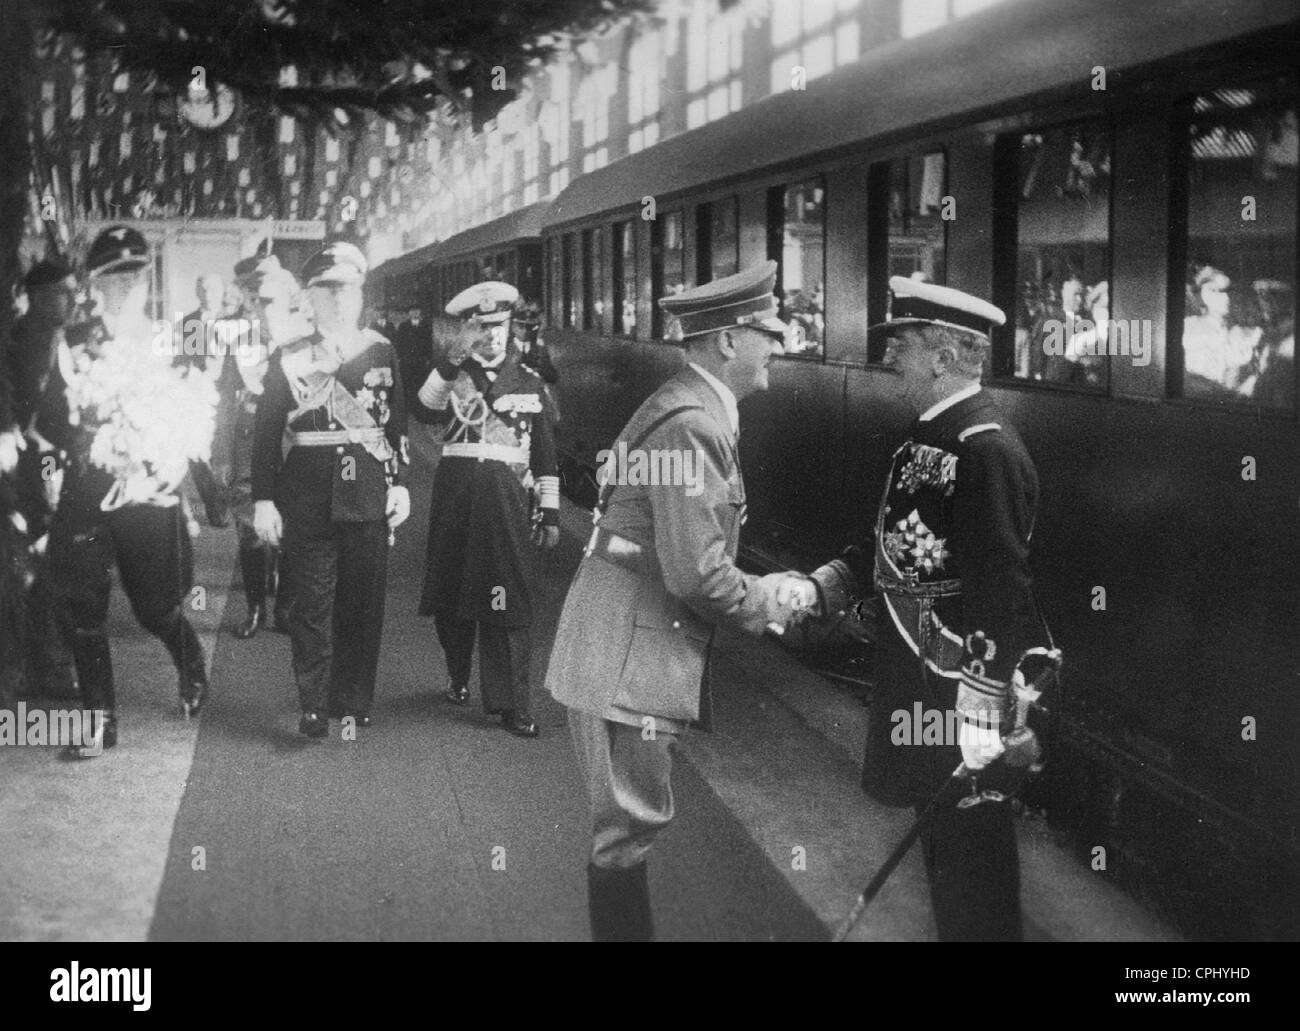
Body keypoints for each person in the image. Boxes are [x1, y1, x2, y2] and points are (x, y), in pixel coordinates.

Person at [779, 277, 1043, 940]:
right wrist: (825, 585)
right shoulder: (930, 438)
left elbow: (999, 586)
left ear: (944, 356)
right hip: (924, 684)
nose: (890, 353)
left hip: (958, 697)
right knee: (947, 857)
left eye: (902, 340)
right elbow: (891, 546)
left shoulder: (985, 448)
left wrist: (983, 708)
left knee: (974, 868)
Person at [545, 261, 801, 941]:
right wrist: (767, 599)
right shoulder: (695, 424)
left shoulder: (683, 403)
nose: (777, 342)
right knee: (624, 836)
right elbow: (694, 574)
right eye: (765, 331)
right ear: (726, 340)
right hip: (631, 646)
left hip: (617, 633)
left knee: (622, 833)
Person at [37, 226, 220, 756]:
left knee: (155, 606)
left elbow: (198, 413)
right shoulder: (72, 340)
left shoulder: (174, 338)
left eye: (131, 276)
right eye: (111, 278)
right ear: (95, 283)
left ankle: (191, 664)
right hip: (89, 484)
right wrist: (82, 446)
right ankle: (99, 722)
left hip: (148, 484)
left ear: (146, 278)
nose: (123, 287)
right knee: (81, 601)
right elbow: (51, 418)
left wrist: (170, 461)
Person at [251, 241, 410, 738]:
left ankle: (353, 699)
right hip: (307, 497)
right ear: (311, 296)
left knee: (362, 605)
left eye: (349, 290)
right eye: (329, 290)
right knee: (312, 606)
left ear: (361, 296)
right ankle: (314, 703)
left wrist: (401, 485)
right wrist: (262, 500)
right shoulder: (290, 356)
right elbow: (265, 434)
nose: (340, 300)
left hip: (366, 494)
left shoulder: (381, 350)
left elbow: (396, 425)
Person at [412, 281, 560, 739]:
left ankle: (511, 704)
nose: (493, 336)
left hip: (506, 505)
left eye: (500, 326)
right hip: (456, 500)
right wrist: (453, 356)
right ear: (469, 330)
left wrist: (551, 514)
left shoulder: (531, 382)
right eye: (482, 327)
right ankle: (458, 675)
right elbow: (425, 410)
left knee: (507, 600)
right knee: (452, 598)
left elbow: (545, 456)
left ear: (511, 326)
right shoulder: (452, 374)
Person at [5, 260, 78, 697]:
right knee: (45, 564)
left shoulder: (51, 337)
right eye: (62, 293)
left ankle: (44, 663)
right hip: (37, 467)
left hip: (48, 462)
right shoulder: (32, 341)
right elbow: (30, 422)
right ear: (39, 295)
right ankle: (48, 666)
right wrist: (52, 475)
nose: (72, 300)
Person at [228, 254, 305, 638]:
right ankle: (255, 607)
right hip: (254, 427)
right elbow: (260, 382)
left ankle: (286, 607)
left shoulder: (301, 333)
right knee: (249, 519)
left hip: (293, 432)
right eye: (256, 297)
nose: (260, 305)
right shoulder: (246, 337)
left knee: (293, 515)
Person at [394, 305, 431, 408]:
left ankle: (418, 407)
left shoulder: (426, 326)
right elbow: (399, 344)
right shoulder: (403, 326)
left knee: (419, 383)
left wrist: (428, 359)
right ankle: (407, 406)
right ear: (409, 313)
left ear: (420, 312)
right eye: (412, 311)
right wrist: (399, 358)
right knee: (407, 383)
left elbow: (428, 344)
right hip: (407, 361)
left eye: (417, 310)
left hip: (420, 361)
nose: (415, 313)